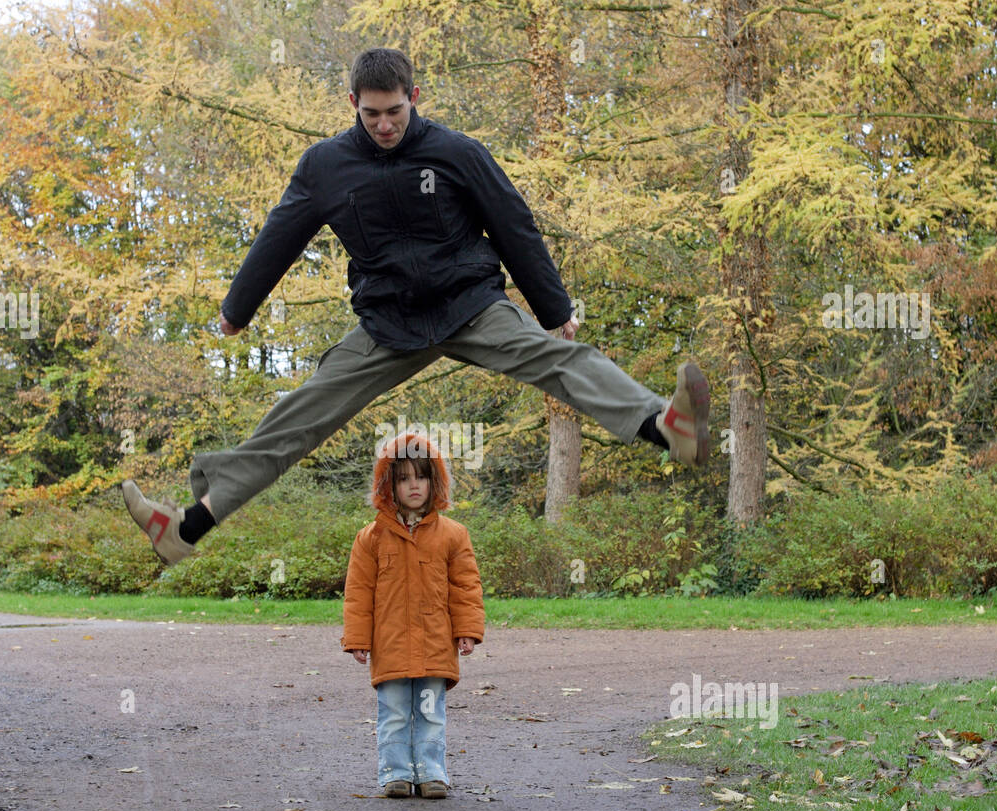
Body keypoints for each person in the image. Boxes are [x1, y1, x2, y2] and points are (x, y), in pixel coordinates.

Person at [121, 46, 710, 565]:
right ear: (352, 101)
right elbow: (280, 236)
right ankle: (184, 529)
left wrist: (554, 308)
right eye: (370, 113)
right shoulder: (325, 167)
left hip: (470, 304)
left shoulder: (457, 152)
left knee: (562, 358)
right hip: (389, 322)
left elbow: (514, 227)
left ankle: (667, 427)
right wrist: (237, 309)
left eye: (394, 112)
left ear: (414, 97)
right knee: (300, 415)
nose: (383, 125)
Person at [342, 429, 484, 798]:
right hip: (389, 645)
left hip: (436, 644)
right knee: (393, 713)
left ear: (434, 481)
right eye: (404, 478)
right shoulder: (370, 538)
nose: (414, 485)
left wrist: (466, 631)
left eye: (421, 475)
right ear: (388, 485)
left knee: (430, 714)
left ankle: (432, 773)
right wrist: (358, 639)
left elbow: (465, 588)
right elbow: (359, 593)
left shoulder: (453, 535)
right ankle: (395, 774)